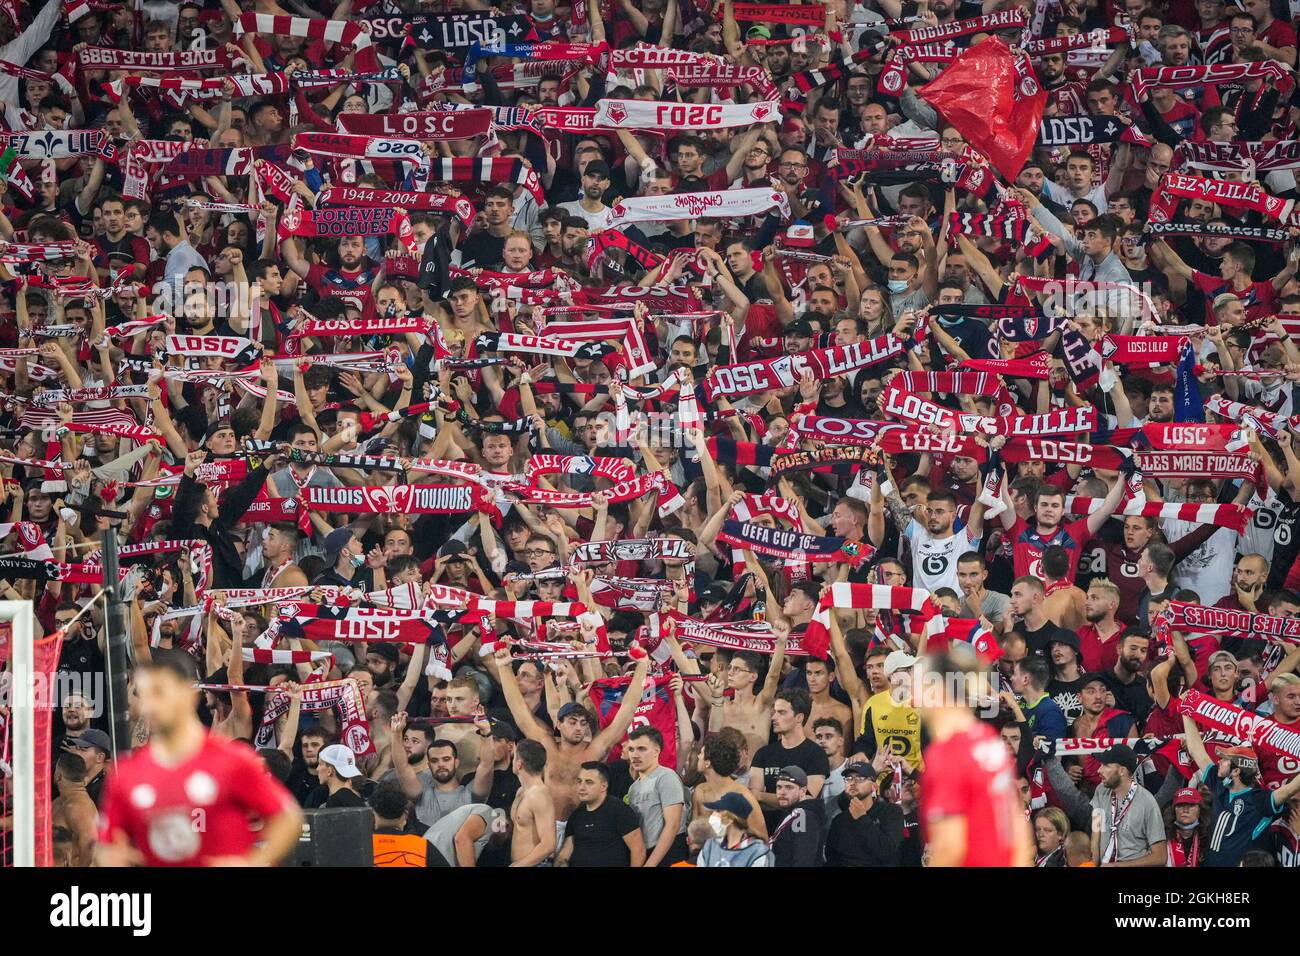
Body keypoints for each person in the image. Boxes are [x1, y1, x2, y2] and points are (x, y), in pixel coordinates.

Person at [96, 658, 304, 867]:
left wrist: (253, 862)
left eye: (159, 693)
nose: (150, 706)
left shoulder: (231, 760)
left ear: (188, 694)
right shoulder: (127, 773)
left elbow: (288, 819)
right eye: (143, 695)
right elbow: (109, 845)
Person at [918, 653, 1033, 866]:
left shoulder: (947, 754)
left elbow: (949, 846)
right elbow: (1018, 828)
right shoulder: (989, 741)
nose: (913, 699)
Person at [1182, 714, 1300, 866]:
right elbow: (1196, 751)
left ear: (1236, 771)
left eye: (1224, 760)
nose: (1219, 761)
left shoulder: (1261, 800)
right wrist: (1187, 713)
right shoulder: (1219, 786)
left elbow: (1291, 788)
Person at [556, 762, 646, 867]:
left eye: (589, 782)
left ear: (603, 786)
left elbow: (638, 849)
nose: (581, 787)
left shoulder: (619, 810)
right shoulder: (576, 816)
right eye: (579, 781)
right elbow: (564, 855)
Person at [626, 726, 688, 866]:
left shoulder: (666, 776)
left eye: (641, 749)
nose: (635, 755)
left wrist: (651, 864)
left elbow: (673, 824)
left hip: (670, 853)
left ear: (656, 751)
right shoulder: (633, 788)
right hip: (647, 853)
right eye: (631, 749)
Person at [824, 761, 905, 867]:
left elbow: (888, 852)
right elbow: (832, 857)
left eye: (860, 778)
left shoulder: (890, 812)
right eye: (848, 778)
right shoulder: (839, 820)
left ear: (874, 787)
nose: (853, 782)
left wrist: (862, 818)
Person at [768, 765, 828, 866]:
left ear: (803, 791)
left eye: (789, 787)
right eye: (779, 787)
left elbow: (803, 860)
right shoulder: (792, 812)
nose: (782, 792)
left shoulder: (804, 817)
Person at [697, 792, 774, 867]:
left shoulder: (757, 852)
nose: (713, 816)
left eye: (718, 811)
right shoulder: (710, 846)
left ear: (730, 818)